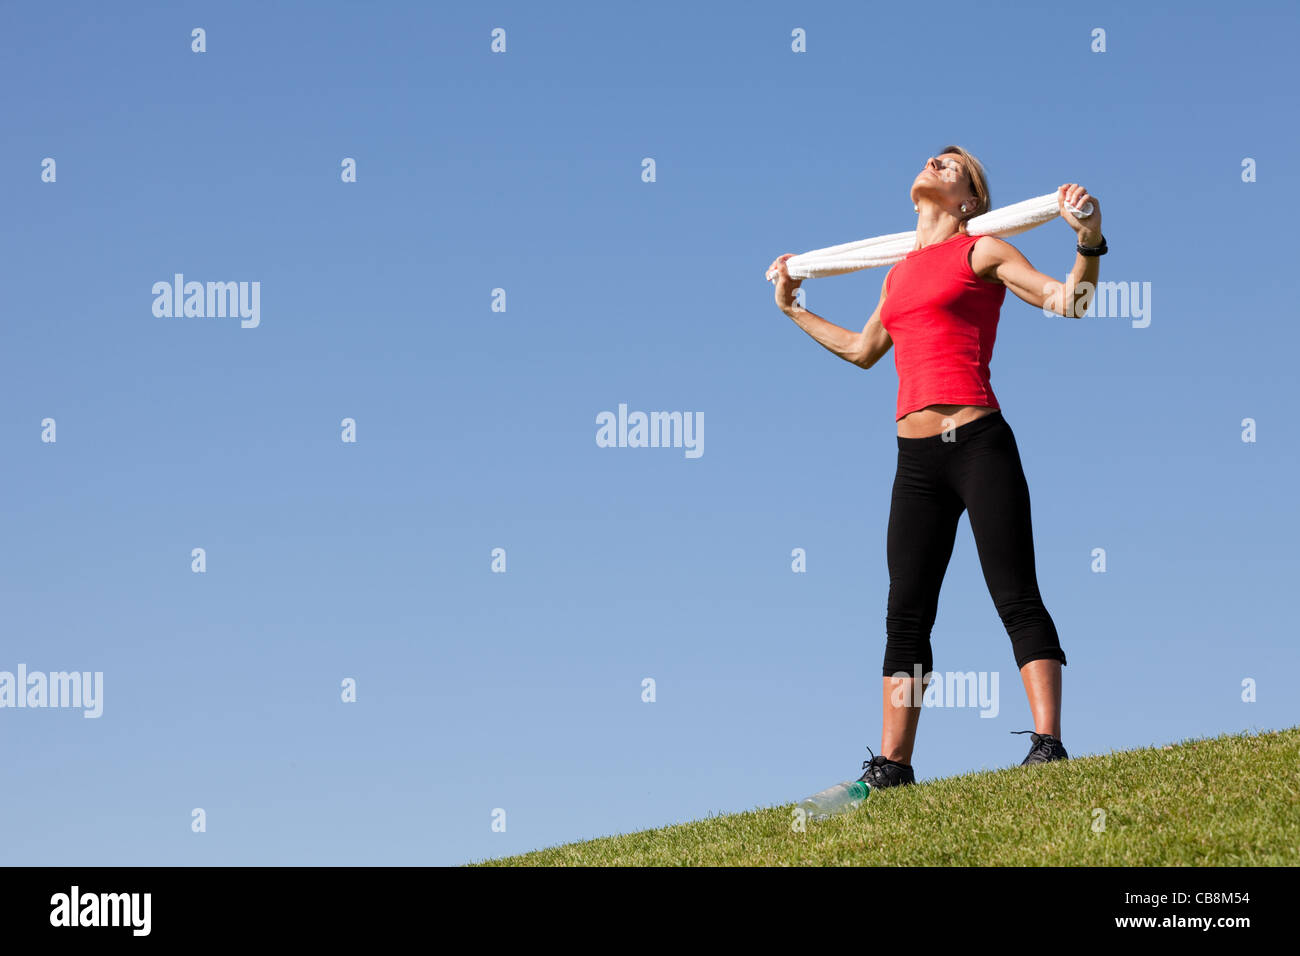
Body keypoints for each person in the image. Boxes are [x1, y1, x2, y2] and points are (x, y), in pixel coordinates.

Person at [766, 145, 1105, 787]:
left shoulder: (984, 250)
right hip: (914, 460)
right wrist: (792, 308)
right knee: (906, 612)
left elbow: (1071, 302)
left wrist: (1088, 241)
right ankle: (893, 768)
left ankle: (1049, 746)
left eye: (953, 167)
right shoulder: (896, 276)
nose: (935, 164)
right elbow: (864, 350)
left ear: (971, 200)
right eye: (934, 159)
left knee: (1015, 593)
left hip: (978, 443)